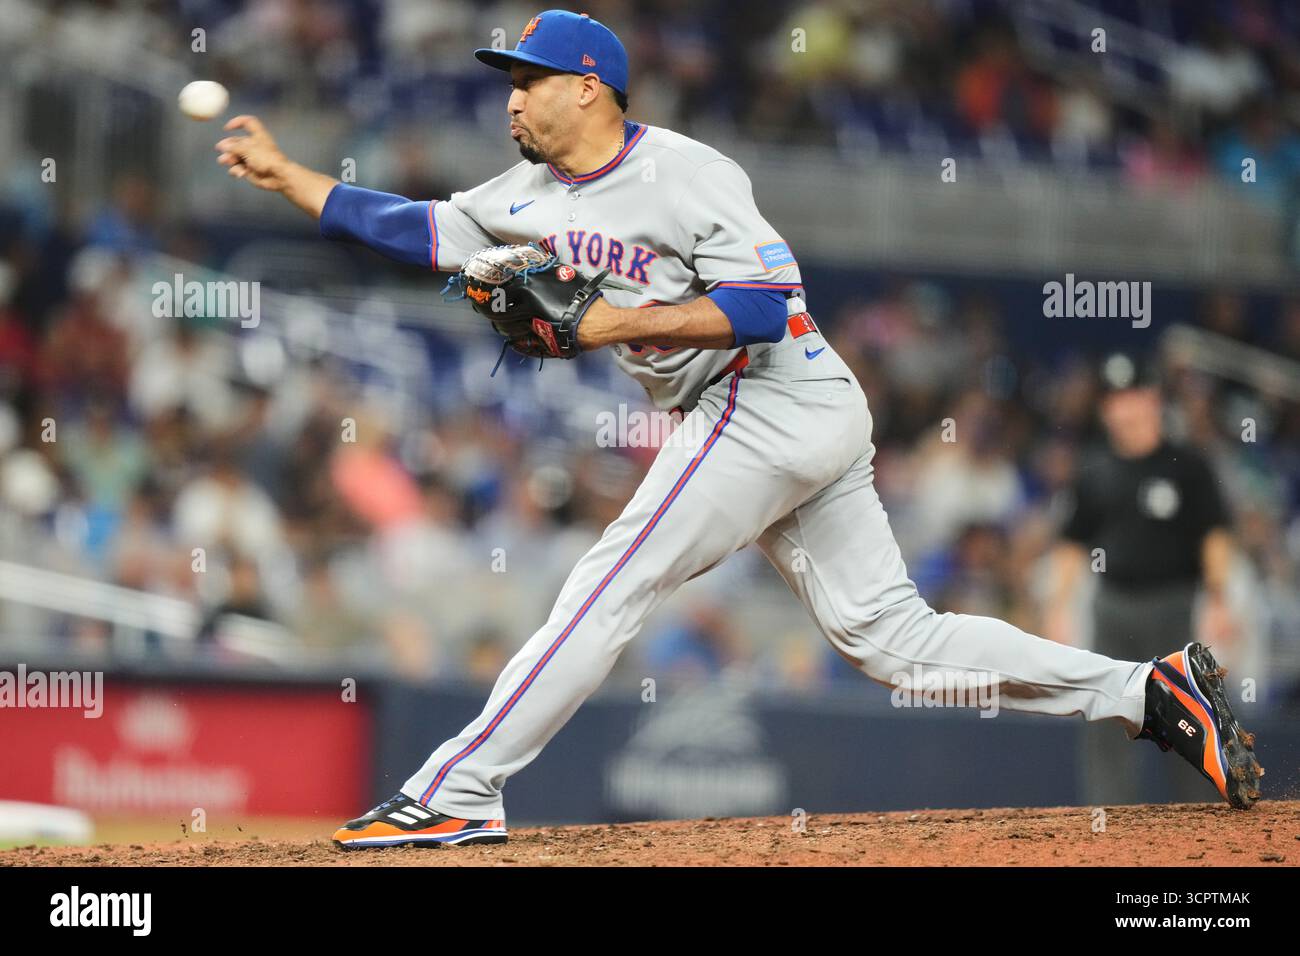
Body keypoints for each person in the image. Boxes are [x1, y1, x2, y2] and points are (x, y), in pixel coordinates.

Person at [215, 10, 1263, 849]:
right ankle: (1146, 687)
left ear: (590, 85)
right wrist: (294, 180)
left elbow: (767, 301)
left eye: (528, 79)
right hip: (778, 417)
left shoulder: (686, 171)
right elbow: (421, 230)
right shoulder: (524, 192)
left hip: (767, 391)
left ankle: (459, 787)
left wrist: (615, 322)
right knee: (896, 643)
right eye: (507, 80)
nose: (512, 97)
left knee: (608, 580)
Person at [1048, 352, 1241, 805]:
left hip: (1174, 607)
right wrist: (1058, 606)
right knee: (1106, 715)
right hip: (1113, 607)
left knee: (1190, 716)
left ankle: (1205, 823)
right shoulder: (1095, 468)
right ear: (1105, 409)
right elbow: (1073, 543)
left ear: (1153, 400)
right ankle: (1110, 822)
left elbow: (1213, 535)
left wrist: (1218, 599)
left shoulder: (1188, 464)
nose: (1125, 408)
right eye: (1116, 399)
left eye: (1134, 396)